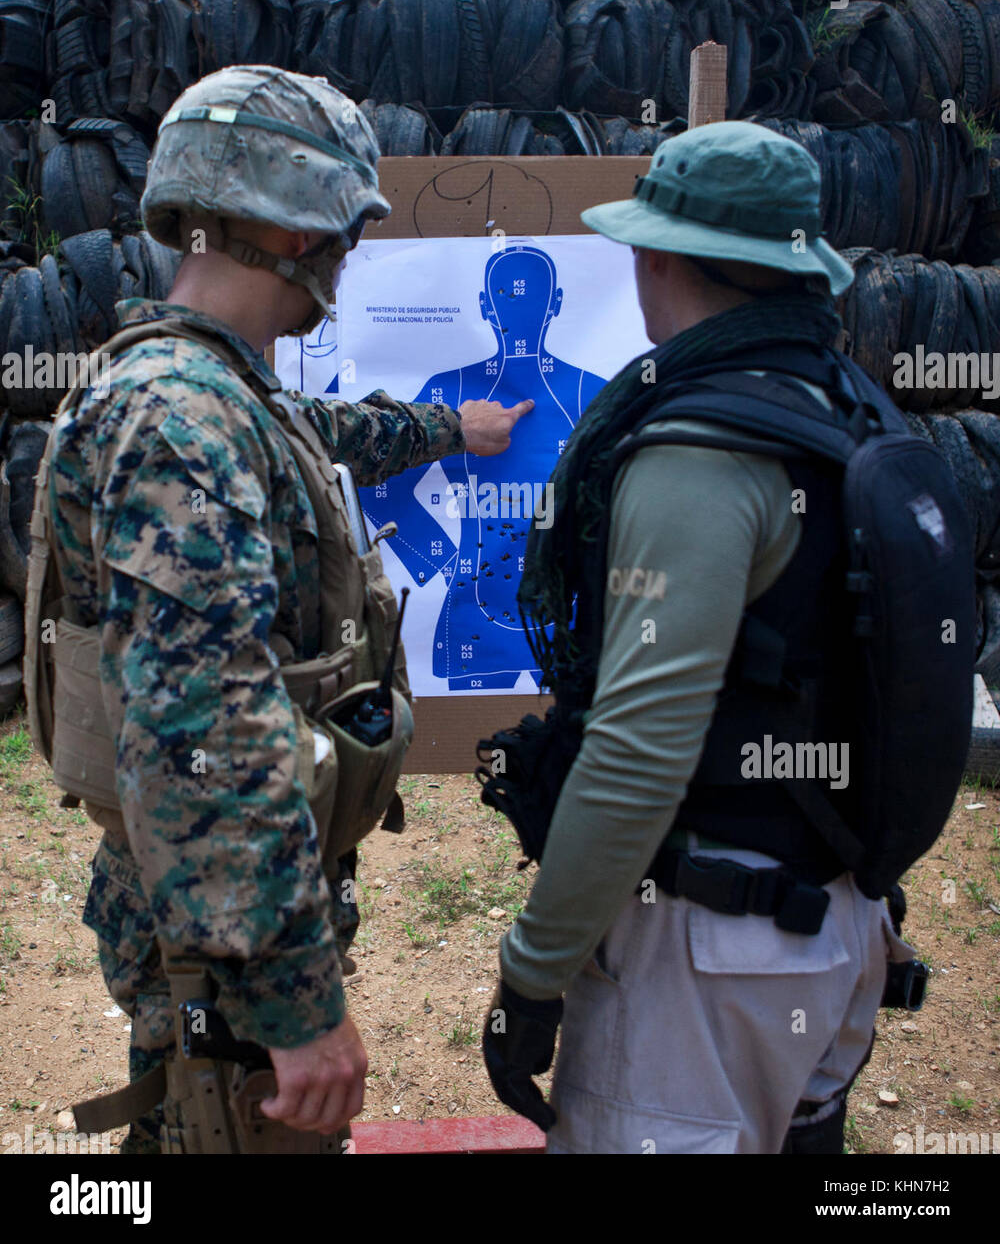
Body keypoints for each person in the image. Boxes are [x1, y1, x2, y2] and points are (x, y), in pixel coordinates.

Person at [28, 65, 532, 1154]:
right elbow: (204, 737)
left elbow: (317, 431)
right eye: (344, 237)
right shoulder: (181, 425)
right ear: (300, 234)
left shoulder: (208, 393)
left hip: (209, 912)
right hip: (220, 933)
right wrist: (298, 1008)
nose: (345, 268)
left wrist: (453, 428)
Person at [482, 120, 920, 1155]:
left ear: (656, 255)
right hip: (839, 920)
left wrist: (532, 972)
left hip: (710, 962)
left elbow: (637, 751)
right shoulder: (847, 410)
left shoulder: (699, 449)